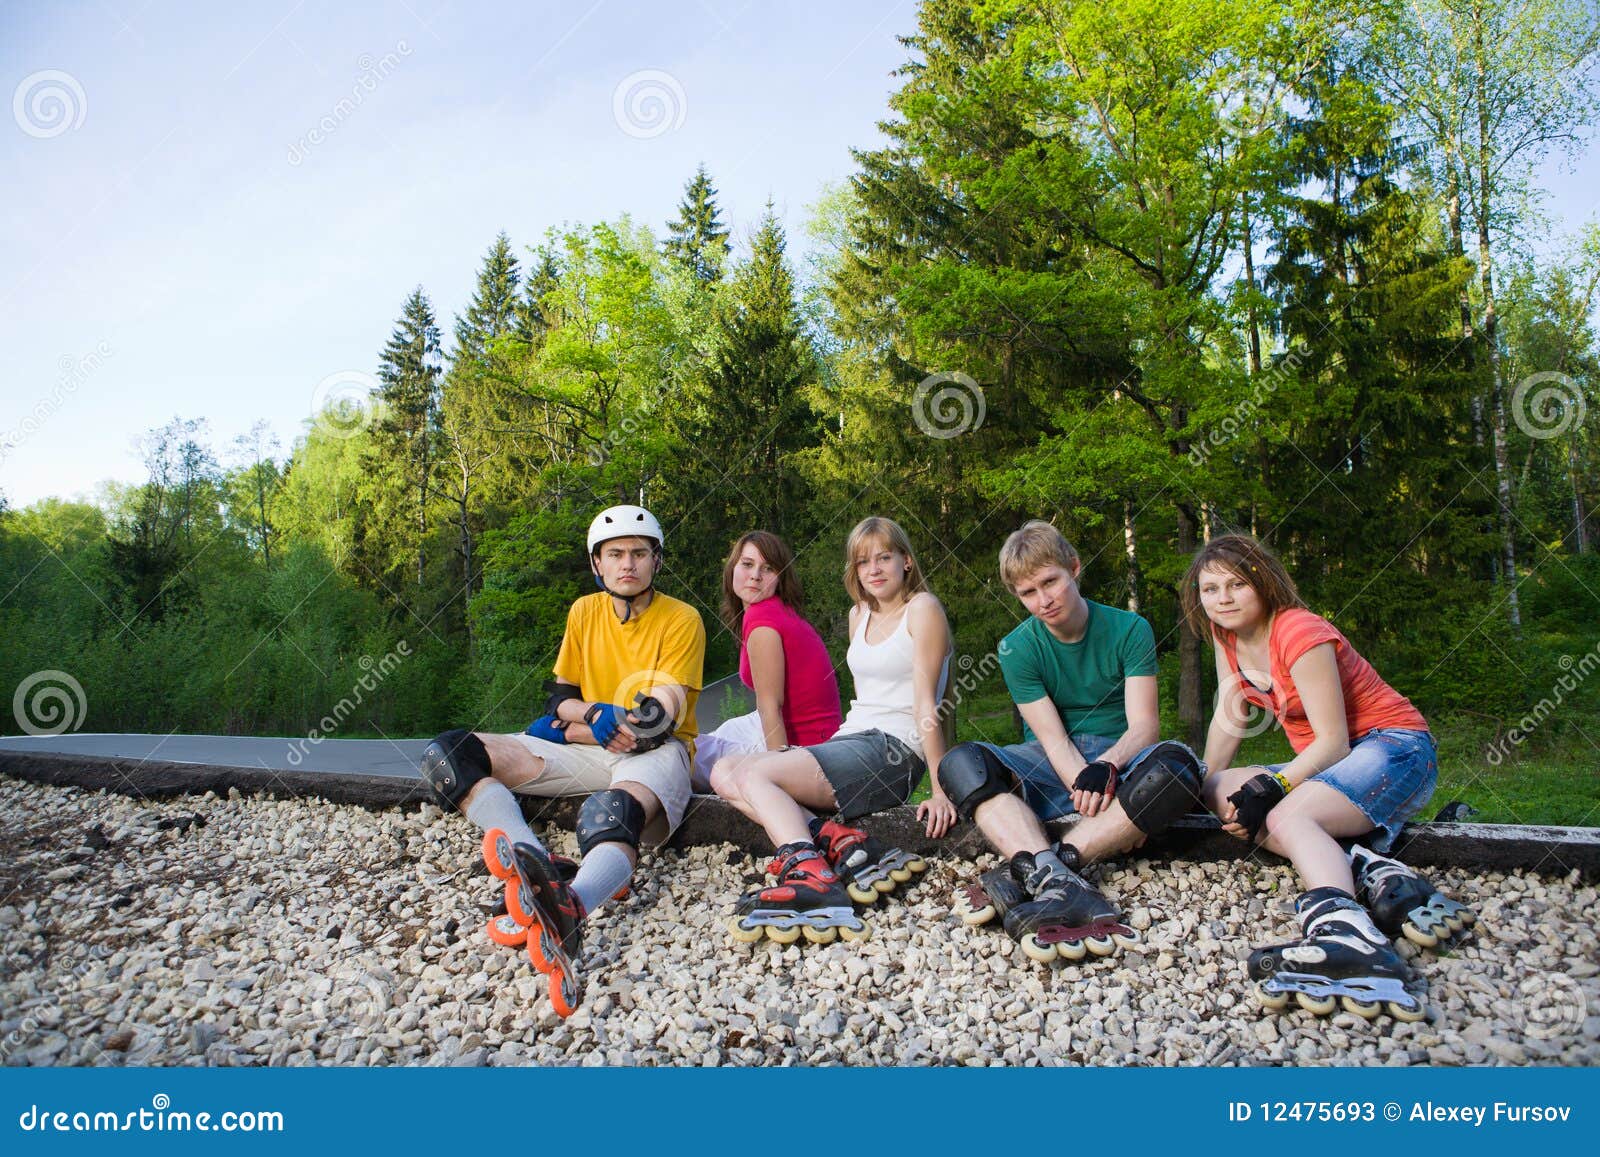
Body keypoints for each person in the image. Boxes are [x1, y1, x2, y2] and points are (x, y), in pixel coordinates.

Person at [417, 504, 704, 1017]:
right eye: (615, 554)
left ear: (657, 561)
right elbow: (559, 696)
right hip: (592, 746)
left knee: (608, 816)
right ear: (597, 564)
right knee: (451, 754)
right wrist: (591, 712)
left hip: (657, 755)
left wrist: (574, 724)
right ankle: (540, 868)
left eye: (639, 553)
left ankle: (574, 907)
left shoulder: (681, 618)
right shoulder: (583, 611)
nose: (628, 564)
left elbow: (654, 719)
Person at [1183, 533, 1473, 1023]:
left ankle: (1349, 936)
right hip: (1336, 765)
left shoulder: (1299, 630)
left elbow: (1334, 742)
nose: (1223, 598)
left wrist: (1276, 787)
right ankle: (1369, 868)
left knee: (1289, 814)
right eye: (1210, 589)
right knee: (1219, 788)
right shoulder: (1225, 636)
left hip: (1394, 748)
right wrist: (1202, 782)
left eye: (1236, 584)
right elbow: (1231, 713)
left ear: (1264, 583)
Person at [939, 521, 1204, 963]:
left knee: (1178, 769)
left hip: (1123, 757)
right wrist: (1087, 787)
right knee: (962, 763)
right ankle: (1060, 876)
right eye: (1028, 593)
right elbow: (1054, 740)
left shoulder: (1130, 629)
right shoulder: (1016, 648)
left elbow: (1145, 727)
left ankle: (1048, 867)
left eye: (1050, 582)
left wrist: (1109, 769)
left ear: (1074, 569)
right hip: (1053, 762)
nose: (1043, 600)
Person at [711, 516, 951, 944]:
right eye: (863, 562)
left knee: (753, 773)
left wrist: (939, 786)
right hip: (850, 741)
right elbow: (864, 700)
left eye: (884, 558)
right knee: (723, 771)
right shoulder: (859, 615)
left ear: (907, 562)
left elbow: (926, 704)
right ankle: (838, 840)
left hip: (894, 752)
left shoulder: (923, 610)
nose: (874, 569)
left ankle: (810, 873)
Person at [689, 531, 842, 792]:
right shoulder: (774, 610)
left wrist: (780, 775)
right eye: (747, 564)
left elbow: (770, 706)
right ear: (733, 567)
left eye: (768, 568)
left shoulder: (762, 623)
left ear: (780, 578)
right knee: (716, 733)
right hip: (798, 729)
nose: (755, 575)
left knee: (683, 757)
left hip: (805, 745)